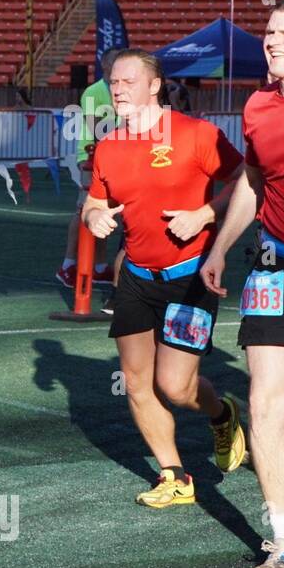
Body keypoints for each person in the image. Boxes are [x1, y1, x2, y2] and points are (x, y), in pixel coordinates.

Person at [82, 49, 246, 508]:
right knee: (136, 382)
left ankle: (221, 413)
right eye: (113, 82)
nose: (117, 90)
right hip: (135, 275)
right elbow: (94, 202)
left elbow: (246, 182)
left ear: (154, 86)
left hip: (190, 275)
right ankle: (174, 476)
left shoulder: (197, 135)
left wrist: (204, 213)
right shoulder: (109, 145)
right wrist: (94, 218)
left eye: (128, 81)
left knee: (175, 386)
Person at [201, 0, 284, 568]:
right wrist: (222, 245)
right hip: (275, 265)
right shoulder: (257, 104)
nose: (271, 40)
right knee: (266, 406)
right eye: (269, 30)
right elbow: (254, 179)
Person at [60, 49, 124, 294]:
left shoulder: (115, 90)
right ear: (105, 66)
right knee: (84, 210)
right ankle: (68, 264)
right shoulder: (94, 92)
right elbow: (97, 130)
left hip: (111, 156)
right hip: (91, 157)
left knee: (105, 213)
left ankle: (98, 266)